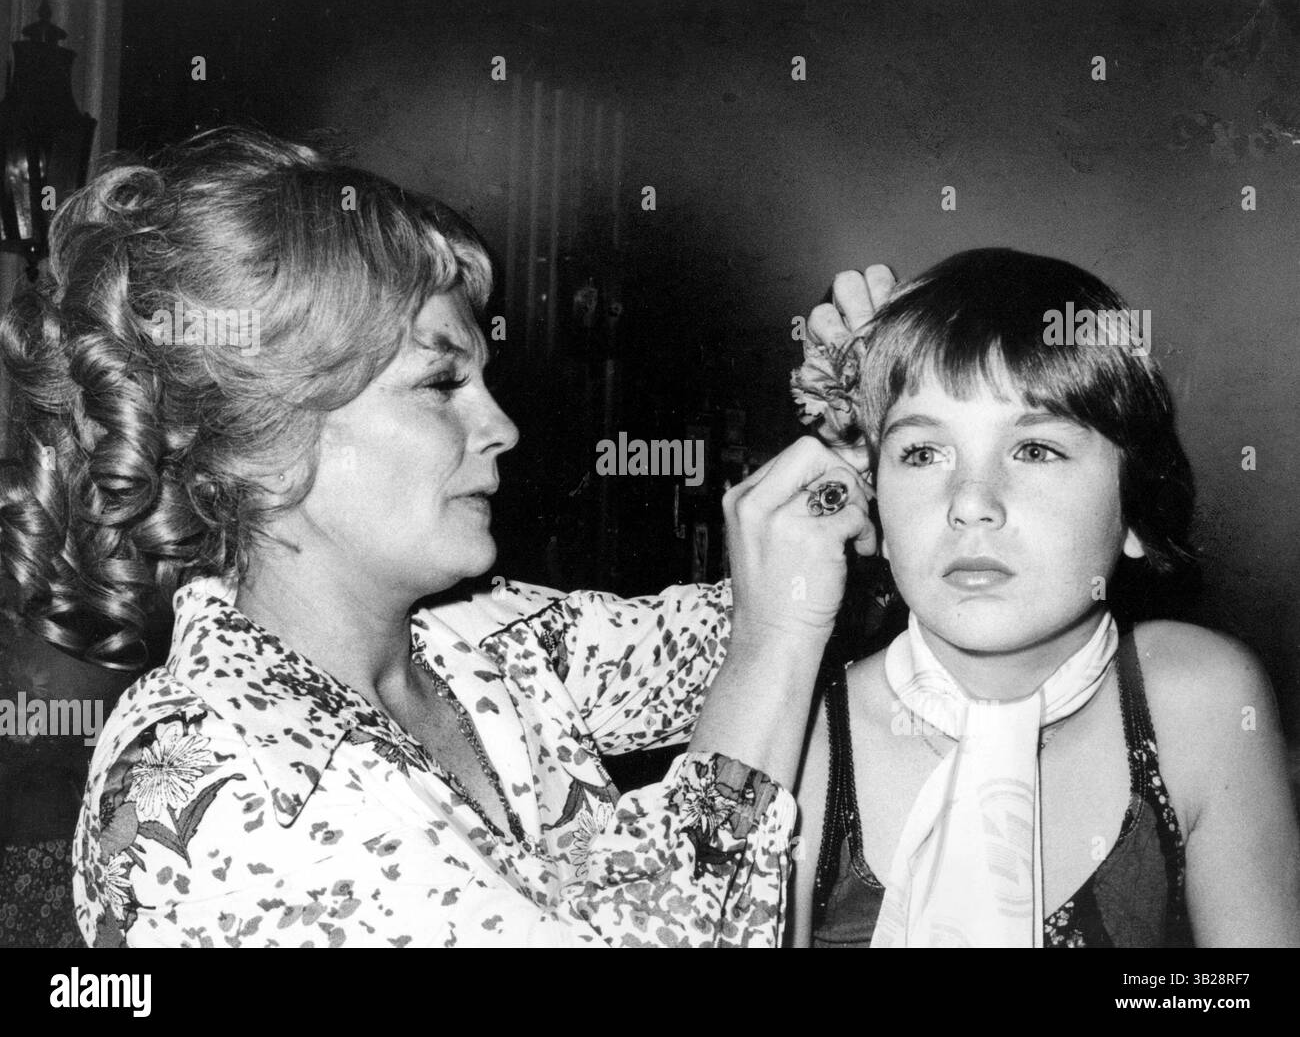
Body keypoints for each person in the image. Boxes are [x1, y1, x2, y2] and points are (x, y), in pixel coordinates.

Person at [0, 127, 873, 947]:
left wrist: (869, 442)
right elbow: (770, 639)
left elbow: (755, 616)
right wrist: (776, 639)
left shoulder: (479, 645)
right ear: (258, 442)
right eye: (440, 382)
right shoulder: (203, 774)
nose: (502, 427)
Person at [789, 248, 1300, 947]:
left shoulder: (1198, 704)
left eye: (1034, 450)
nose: (971, 502)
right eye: (922, 452)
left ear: (1133, 512)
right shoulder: (805, 731)